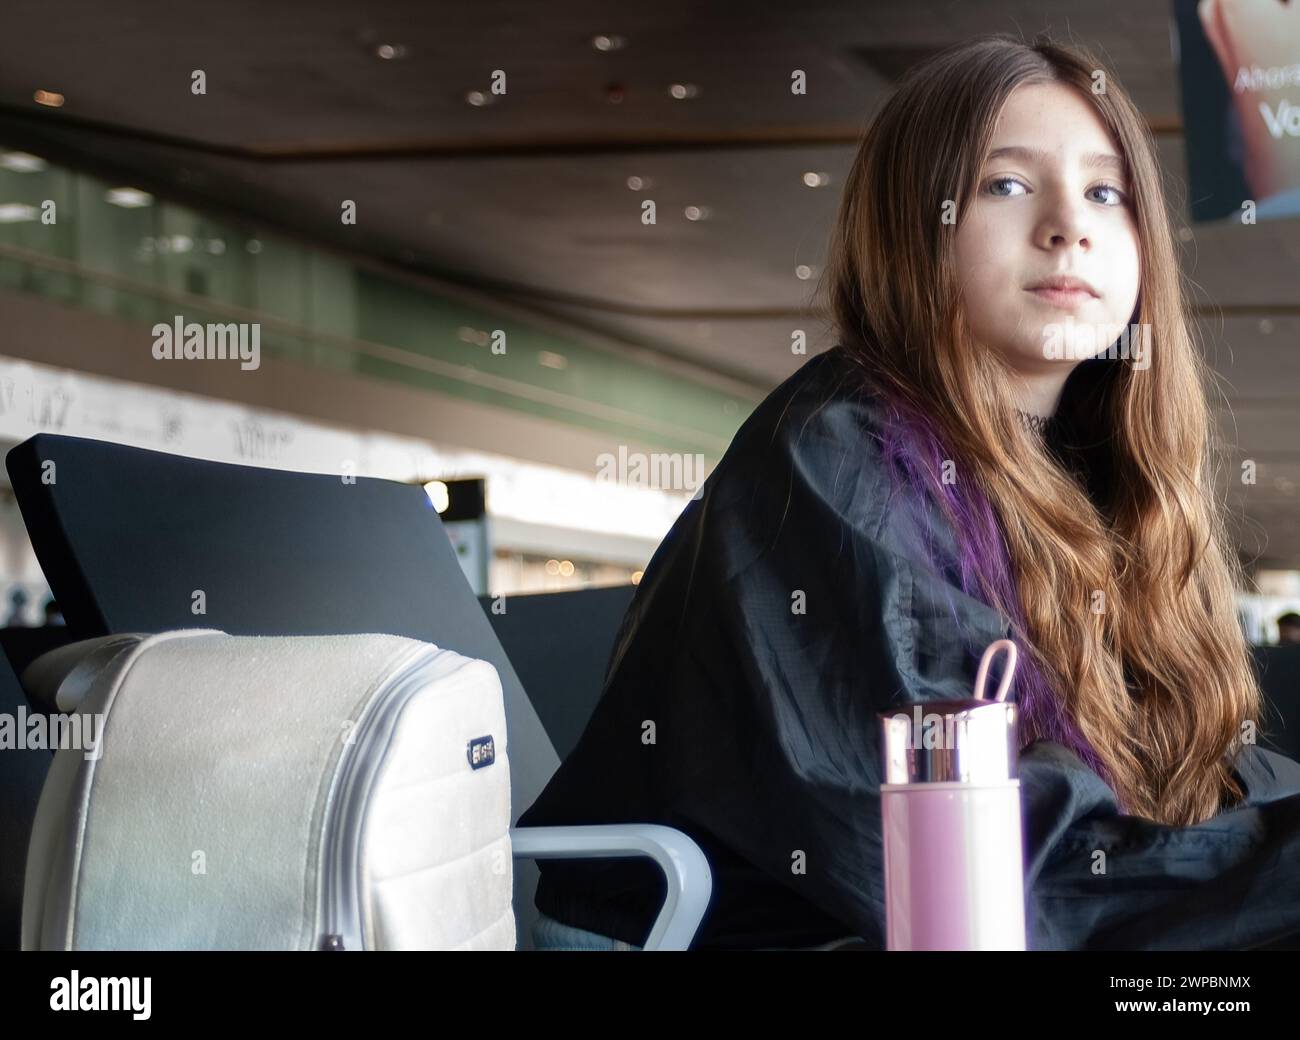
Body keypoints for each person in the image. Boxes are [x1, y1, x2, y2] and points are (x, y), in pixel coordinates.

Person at [519, 33, 1300, 951]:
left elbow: (1205, 780)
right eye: (1005, 185)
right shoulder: (836, 448)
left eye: (1106, 192)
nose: (1069, 226)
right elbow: (958, 859)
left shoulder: (1106, 475)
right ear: (911, 223)